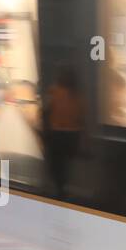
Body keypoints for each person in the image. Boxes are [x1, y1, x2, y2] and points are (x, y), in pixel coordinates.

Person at [44, 65, 83, 198]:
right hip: (72, 134)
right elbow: (82, 115)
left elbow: (46, 110)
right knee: (66, 164)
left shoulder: (53, 91)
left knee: (57, 164)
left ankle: (59, 189)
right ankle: (63, 188)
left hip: (57, 133)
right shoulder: (77, 93)